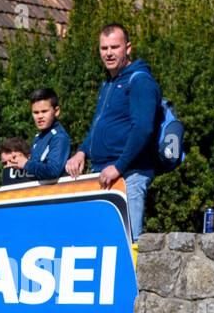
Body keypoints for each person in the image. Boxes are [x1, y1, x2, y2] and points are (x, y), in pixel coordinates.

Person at [64, 24, 160, 238]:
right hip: (104, 174)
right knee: (102, 242)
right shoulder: (108, 84)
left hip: (129, 175)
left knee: (127, 242)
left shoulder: (140, 81)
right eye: (103, 48)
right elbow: (98, 126)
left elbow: (143, 129)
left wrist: (119, 167)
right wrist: (82, 152)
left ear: (128, 48)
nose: (108, 53)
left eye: (114, 47)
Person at [4, 87, 70, 182]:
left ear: (56, 111)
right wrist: (19, 161)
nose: (39, 116)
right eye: (36, 112)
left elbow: (53, 171)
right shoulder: (38, 137)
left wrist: (26, 164)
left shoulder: (59, 137)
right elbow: (35, 170)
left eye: (44, 111)